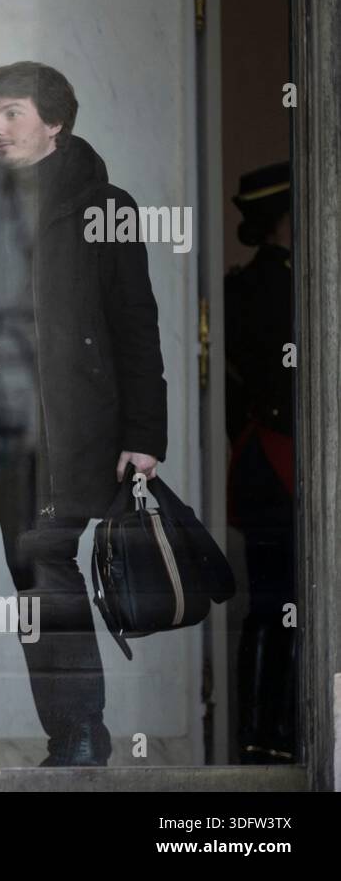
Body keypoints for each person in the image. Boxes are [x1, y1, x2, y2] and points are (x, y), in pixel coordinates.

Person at [0, 61, 167, 766]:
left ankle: (80, 733)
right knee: (31, 569)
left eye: (13, 112)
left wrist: (144, 432)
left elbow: (134, 322)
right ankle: (74, 735)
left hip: (80, 418)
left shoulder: (105, 202)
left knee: (47, 557)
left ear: (54, 123)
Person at [224, 161, 296, 763]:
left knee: (270, 601)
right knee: (282, 600)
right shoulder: (284, 286)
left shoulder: (240, 285)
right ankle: (273, 735)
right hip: (281, 460)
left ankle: (259, 731)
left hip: (257, 459)